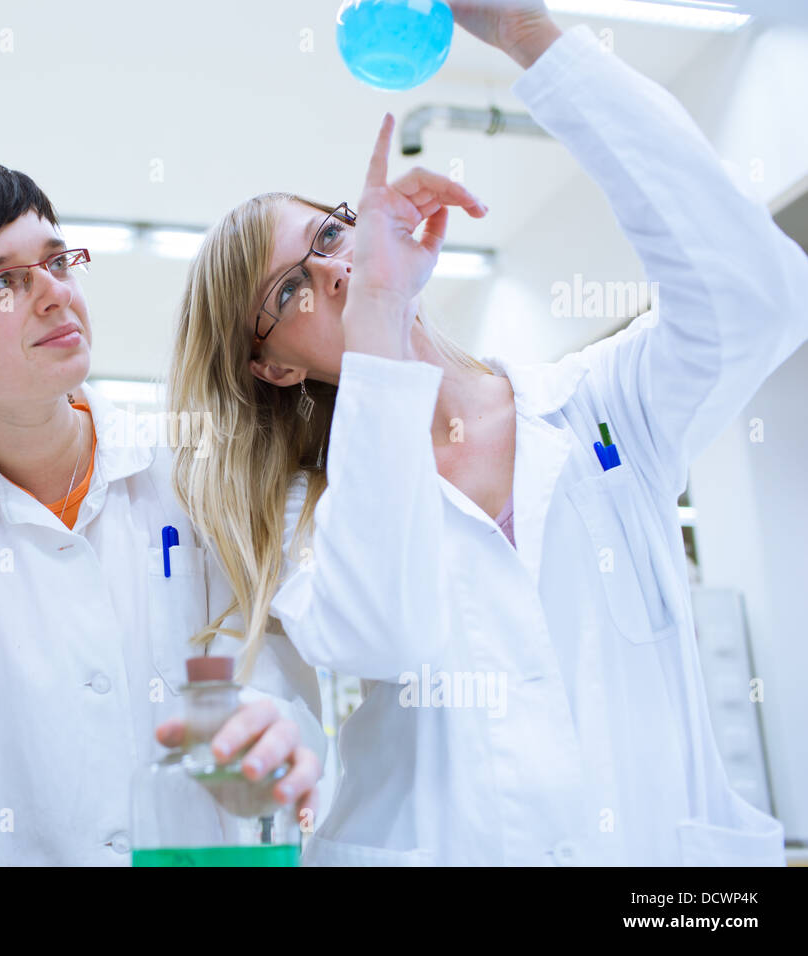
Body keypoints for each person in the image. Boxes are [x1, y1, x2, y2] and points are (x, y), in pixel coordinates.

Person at [167, 2, 806, 865]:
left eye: (329, 233)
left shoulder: (598, 405)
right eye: (289, 292)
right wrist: (381, 320)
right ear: (273, 367)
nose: (334, 268)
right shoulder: (302, 516)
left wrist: (527, 35)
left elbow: (758, 298)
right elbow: (380, 634)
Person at [0, 159, 325, 866]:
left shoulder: (186, 459)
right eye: (2, 281)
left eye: (57, 260)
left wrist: (276, 734)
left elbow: (269, 680)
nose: (54, 295)